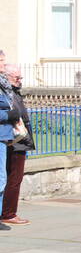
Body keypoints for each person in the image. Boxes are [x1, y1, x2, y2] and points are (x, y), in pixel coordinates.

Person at [1, 64, 31, 226]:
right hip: (15, 141)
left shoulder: (13, 91)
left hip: (19, 140)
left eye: (20, 78)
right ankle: (8, 213)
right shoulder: (8, 92)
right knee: (13, 178)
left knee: (12, 178)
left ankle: (7, 212)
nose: (20, 81)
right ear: (7, 77)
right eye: (16, 78)